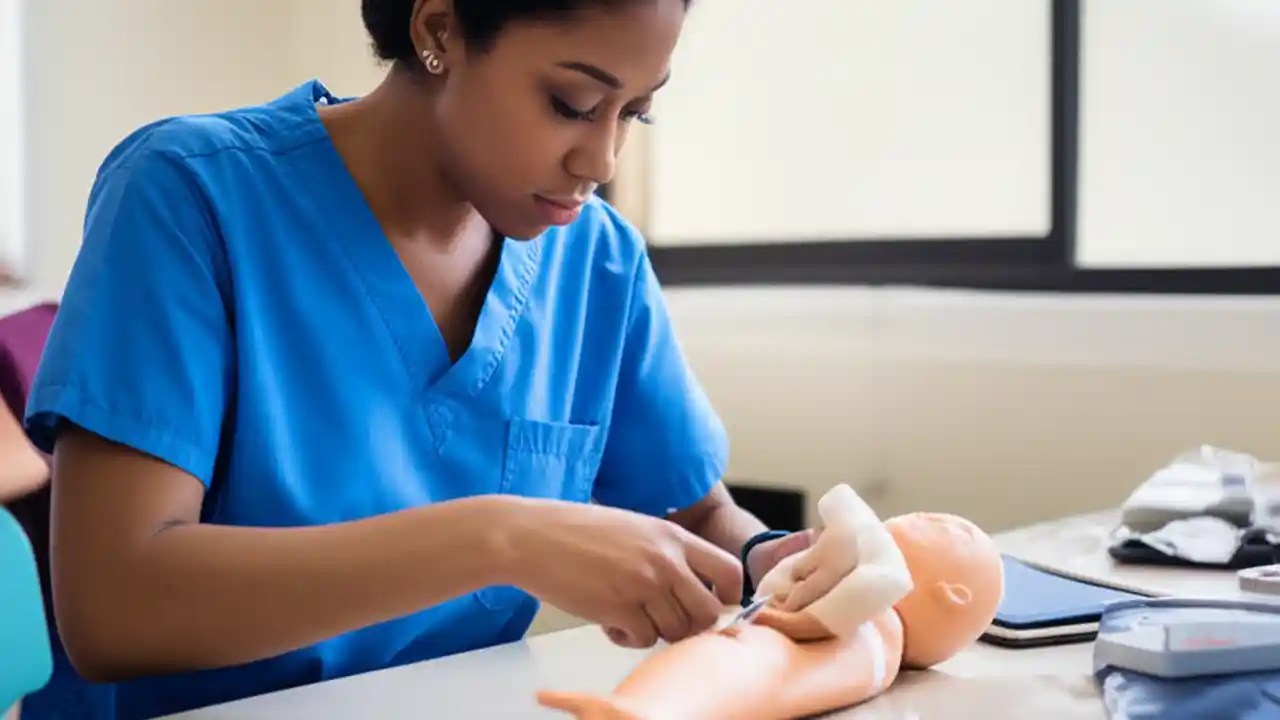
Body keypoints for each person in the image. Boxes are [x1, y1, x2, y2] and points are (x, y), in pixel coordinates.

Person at [20, 1, 824, 718]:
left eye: (635, 114)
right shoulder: (191, 195)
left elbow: (697, 516)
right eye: (573, 104)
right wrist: (503, 537)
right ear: (440, 30)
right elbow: (114, 607)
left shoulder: (596, 261)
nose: (602, 161)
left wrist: (774, 563)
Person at [536, 507, 1007, 719]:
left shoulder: (881, 630)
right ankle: (636, 708)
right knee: (712, 665)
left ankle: (645, 710)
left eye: (950, 529)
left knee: (727, 671)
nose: (920, 515)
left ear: (953, 595)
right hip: (765, 648)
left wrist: (787, 621)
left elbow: (827, 623)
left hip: (772, 654)